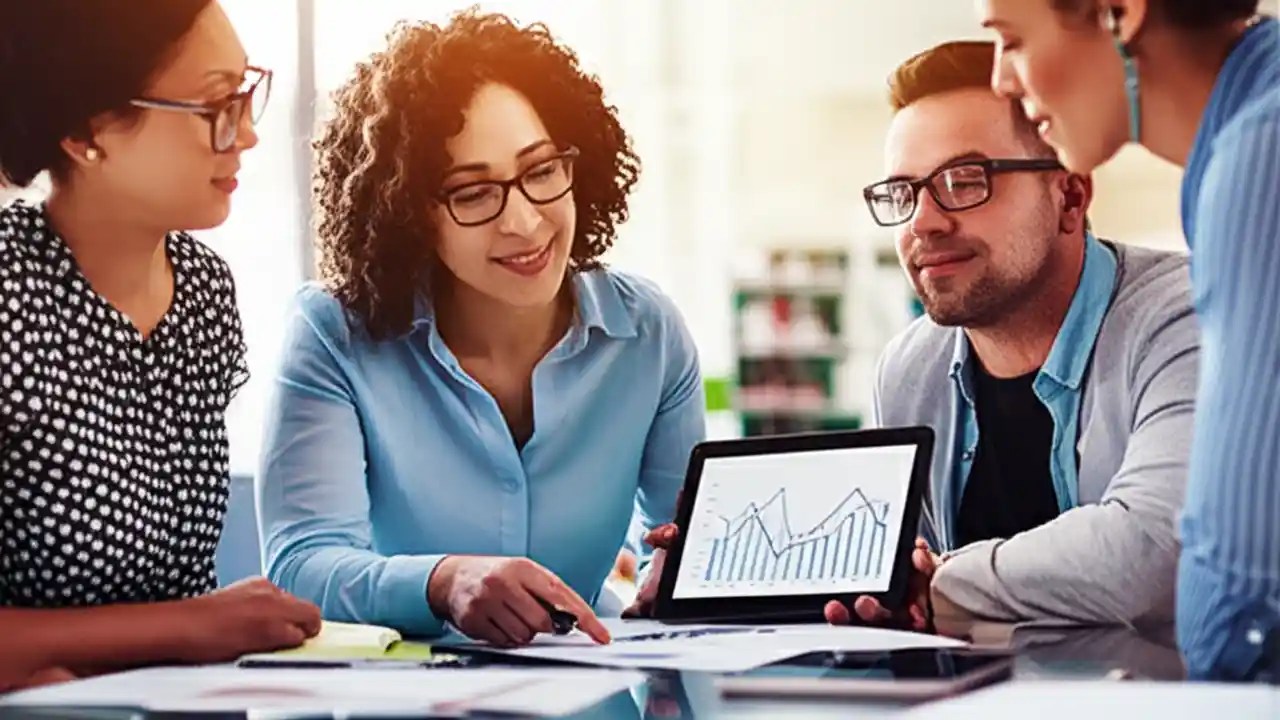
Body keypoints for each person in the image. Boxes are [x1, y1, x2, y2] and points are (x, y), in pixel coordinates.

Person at [628, 41, 1200, 632]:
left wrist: (945, 581)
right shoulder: (910, 367)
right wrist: (721, 577)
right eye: (903, 193)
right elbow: (901, 592)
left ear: (1070, 196)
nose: (923, 221)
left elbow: (1159, 547)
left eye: (964, 180)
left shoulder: (1184, 318)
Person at [256, 9, 705, 648]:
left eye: (542, 170)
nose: (523, 222)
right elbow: (302, 565)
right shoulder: (334, 334)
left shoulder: (648, 334)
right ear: (408, 211)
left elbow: (683, 536)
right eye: (472, 193)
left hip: (589, 684)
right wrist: (443, 582)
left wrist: (682, 567)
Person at [0, 1, 321, 693]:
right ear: (90, 131)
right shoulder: (10, 294)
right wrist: (192, 625)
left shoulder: (204, 292)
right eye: (215, 106)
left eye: (245, 93)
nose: (248, 135)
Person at [975, 0, 1279, 682]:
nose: (1002, 80)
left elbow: (1248, 573)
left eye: (1012, 40)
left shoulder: (1261, 156)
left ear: (1121, 11)